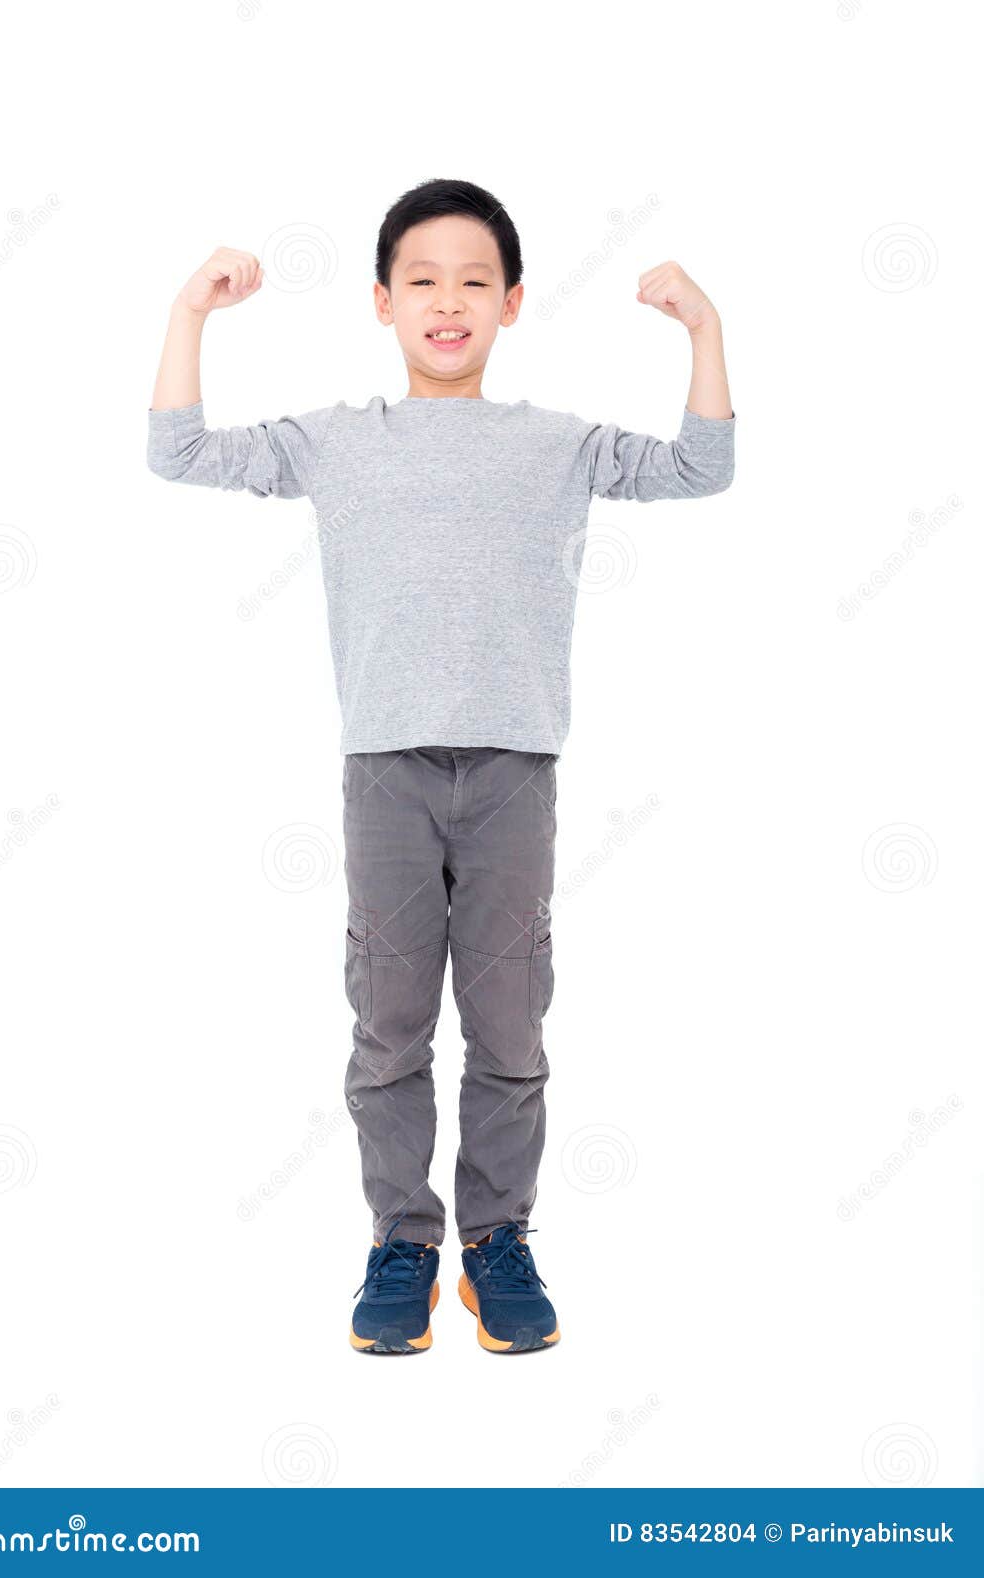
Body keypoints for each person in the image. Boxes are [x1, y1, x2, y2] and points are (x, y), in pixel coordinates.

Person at [147, 178, 735, 1355]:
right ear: (382, 301)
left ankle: (497, 1239)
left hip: (516, 770)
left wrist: (704, 328)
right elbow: (179, 451)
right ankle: (402, 1241)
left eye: (475, 280)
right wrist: (190, 312)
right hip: (387, 772)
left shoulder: (557, 444)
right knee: (391, 1019)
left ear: (513, 304)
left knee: (511, 1023)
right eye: (423, 279)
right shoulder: (336, 440)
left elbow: (697, 470)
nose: (448, 300)